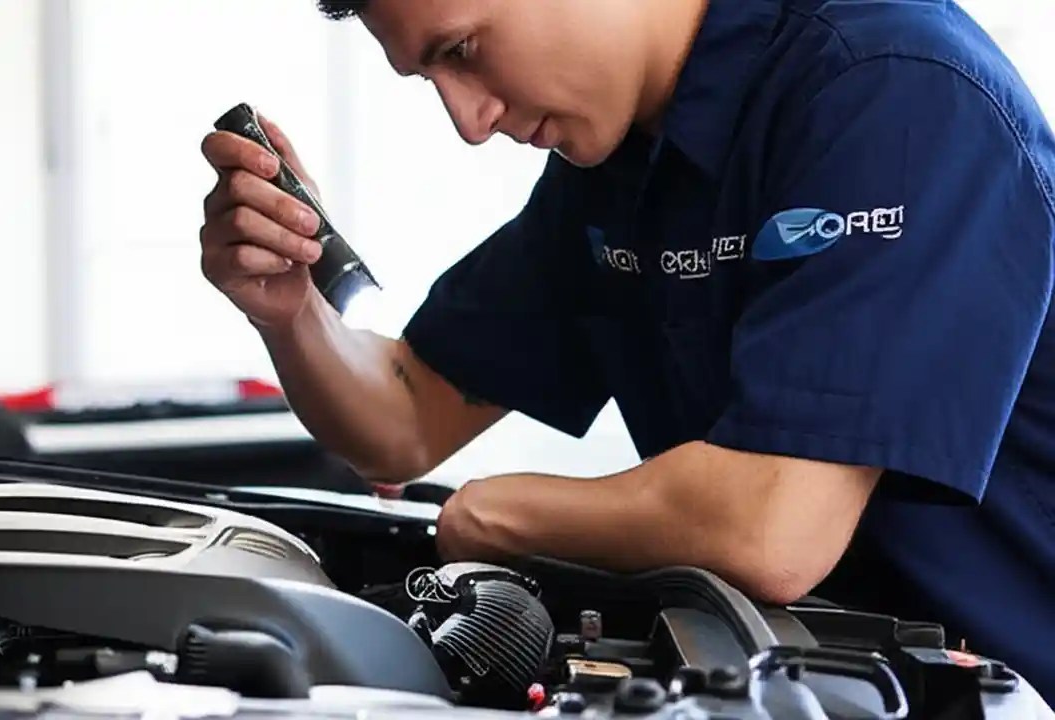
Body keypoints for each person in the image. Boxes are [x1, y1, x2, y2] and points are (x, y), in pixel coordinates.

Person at [198, 0, 1055, 698]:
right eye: (431, 76)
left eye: (462, 50)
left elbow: (772, 528)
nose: (467, 120)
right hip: (792, 680)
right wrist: (292, 312)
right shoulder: (618, 158)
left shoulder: (891, 92)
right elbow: (404, 414)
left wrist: (493, 513)